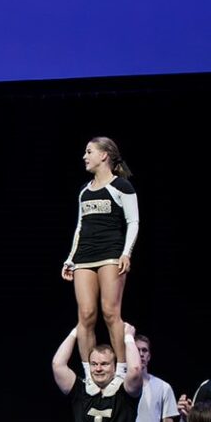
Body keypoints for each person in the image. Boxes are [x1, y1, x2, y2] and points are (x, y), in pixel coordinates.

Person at [61, 137, 139, 365]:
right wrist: (70, 259)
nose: (85, 157)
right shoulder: (84, 191)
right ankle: (89, 372)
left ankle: (122, 370)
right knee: (85, 315)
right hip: (85, 256)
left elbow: (133, 221)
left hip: (111, 254)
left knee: (110, 312)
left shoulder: (121, 186)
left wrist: (127, 253)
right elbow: (79, 226)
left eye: (89, 151)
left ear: (104, 155)